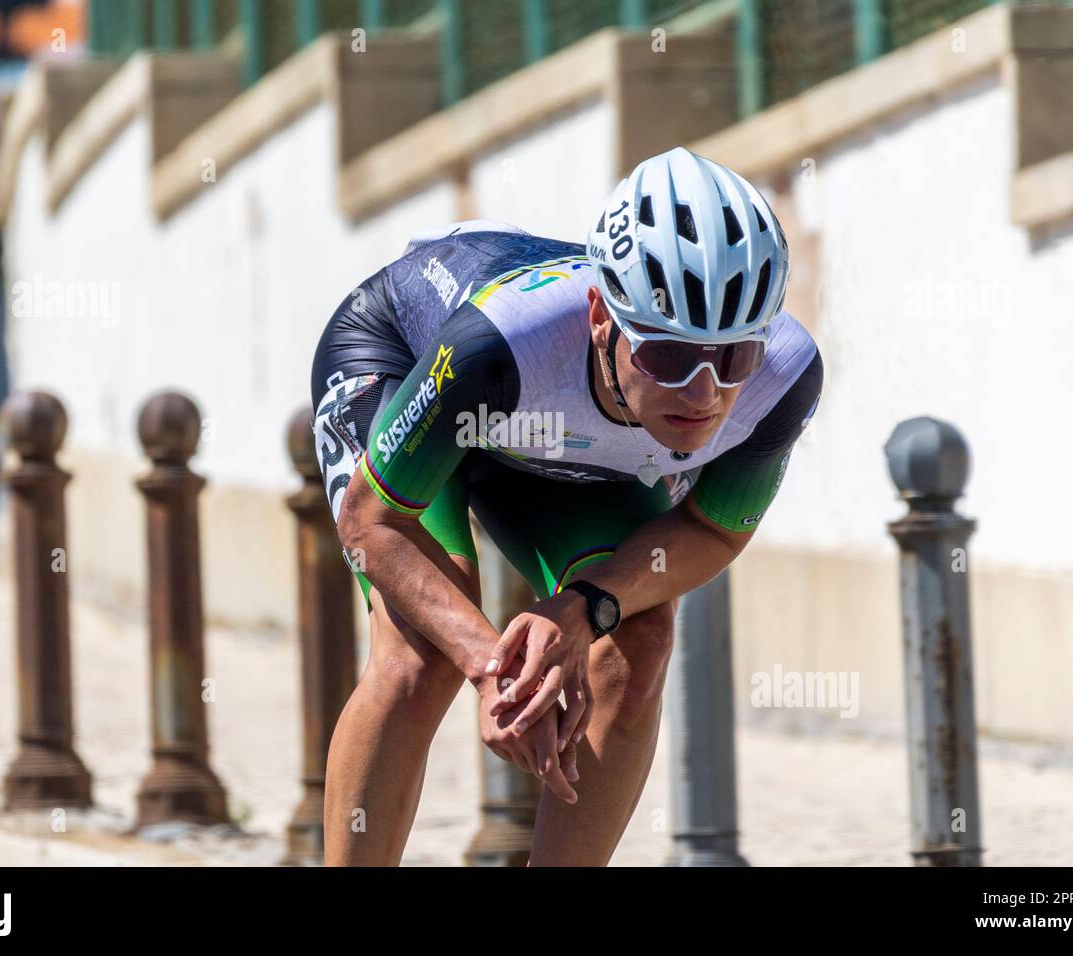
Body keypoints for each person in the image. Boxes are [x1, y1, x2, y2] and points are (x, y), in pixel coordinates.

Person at [310, 146, 822, 865]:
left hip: (551, 432)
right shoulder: (501, 344)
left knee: (634, 646)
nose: (704, 394)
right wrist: (495, 668)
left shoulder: (786, 376)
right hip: (414, 363)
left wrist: (582, 610)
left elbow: (710, 529)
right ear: (601, 318)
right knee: (419, 659)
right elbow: (370, 522)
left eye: (733, 357)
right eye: (669, 357)